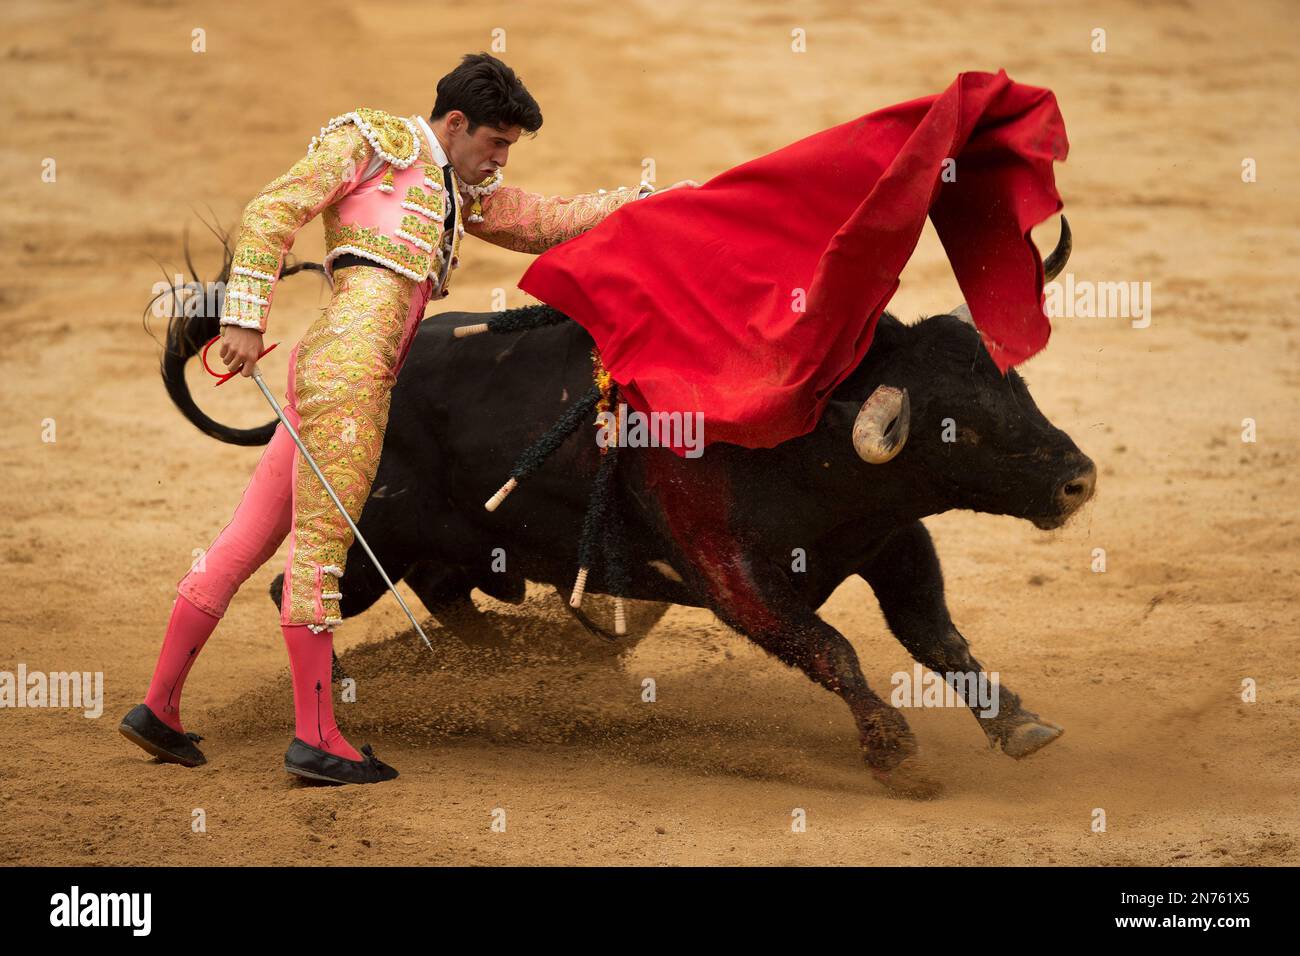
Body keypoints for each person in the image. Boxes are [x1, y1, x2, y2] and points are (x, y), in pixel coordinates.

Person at [120, 51, 696, 784]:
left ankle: (158, 709)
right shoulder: (374, 141)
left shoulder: (461, 193)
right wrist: (242, 315)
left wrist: (645, 204)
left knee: (244, 543)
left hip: (335, 372)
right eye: (495, 143)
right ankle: (317, 738)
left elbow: (546, 220)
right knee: (320, 560)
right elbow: (274, 209)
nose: (500, 160)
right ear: (455, 123)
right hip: (351, 377)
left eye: (509, 149)